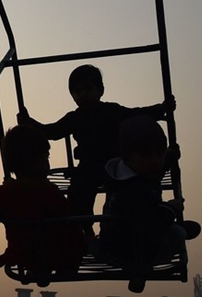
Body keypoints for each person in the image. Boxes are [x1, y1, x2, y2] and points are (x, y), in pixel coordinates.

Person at [18, 64, 175, 233]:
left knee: (123, 193)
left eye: (88, 89)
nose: (83, 94)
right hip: (88, 167)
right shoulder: (74, 118)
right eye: (77, 91)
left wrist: (160, 109)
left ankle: (114, 228)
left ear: (100, 90)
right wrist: (30, 123)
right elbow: (53, 131)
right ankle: (83, 229)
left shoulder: (111, 110)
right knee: (78, 195)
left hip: (114, 165)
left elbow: (135, 114)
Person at [99, 115, 201, 293]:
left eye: (158, 154)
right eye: (146, 155)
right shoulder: (129, 191)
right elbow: (148, 224)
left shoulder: (137, 172)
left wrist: (169, 157)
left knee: (169, 228)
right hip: (127, 246)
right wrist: (171, 209)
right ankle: (140, 272)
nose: (155, 160)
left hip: (129, 235)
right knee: (175, 235)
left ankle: (173, 228)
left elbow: (157, 170)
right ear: (128, 157)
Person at [0, 125, 86, 283]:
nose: (48, 163)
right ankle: (66, 268)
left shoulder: (2, 193)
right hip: (55, 256)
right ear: (38, 161)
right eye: (46, 157)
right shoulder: (50, 193)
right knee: (77, 235)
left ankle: (37, 270)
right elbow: (71, 226)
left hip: (23, 257)